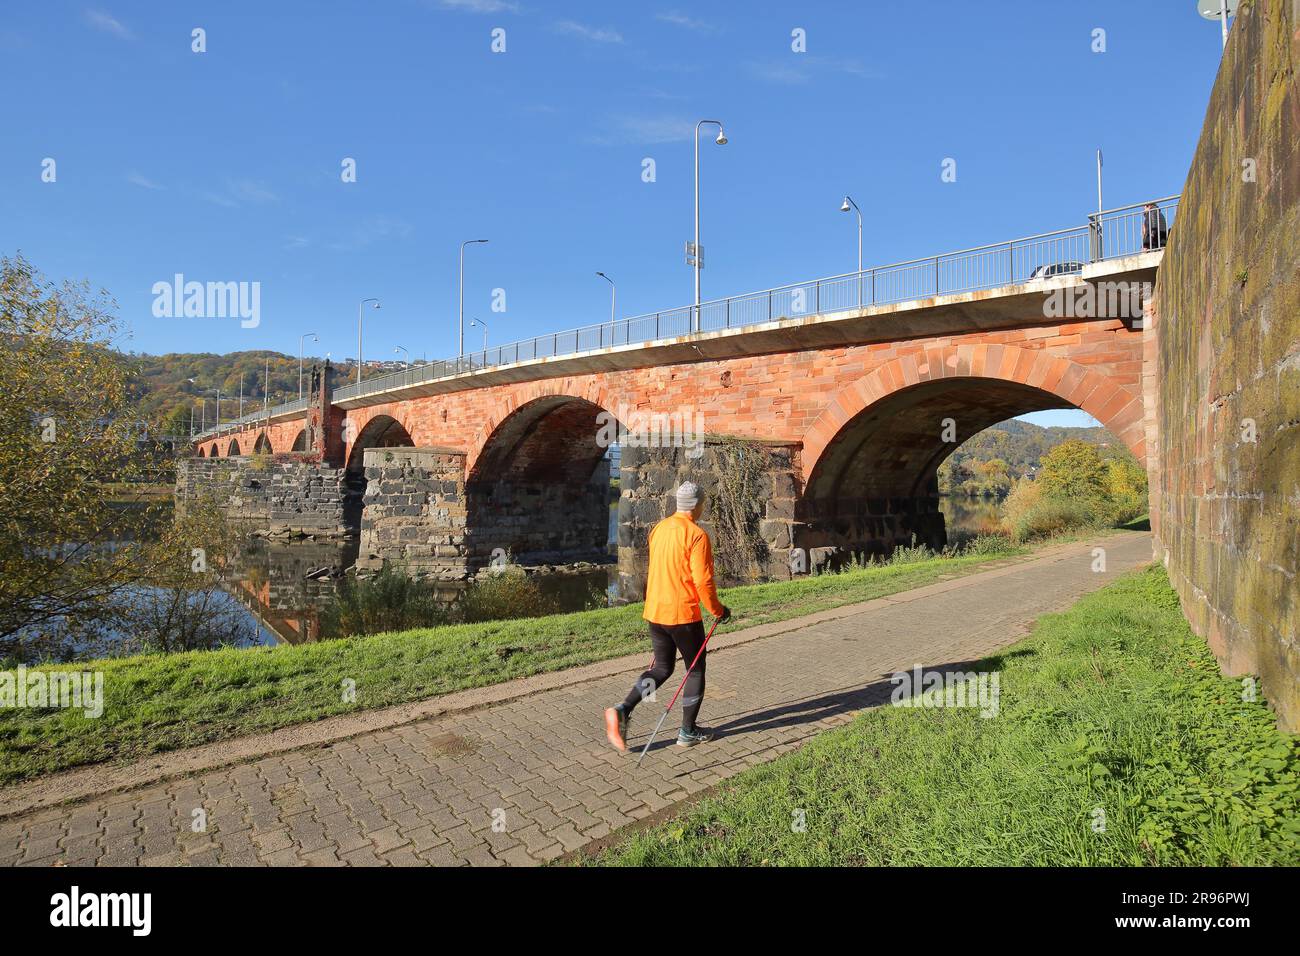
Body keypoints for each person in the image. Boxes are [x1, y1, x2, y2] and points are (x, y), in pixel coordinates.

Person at [604, 481, 731, 751]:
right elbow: (703, 581)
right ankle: (688, 731)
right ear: (698, 505)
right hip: (682, 614)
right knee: (695, 669)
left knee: (661, 668)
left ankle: (623, 709)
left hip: (655, 612)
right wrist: (718, 611)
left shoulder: (659, 529)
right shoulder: (696, 535)